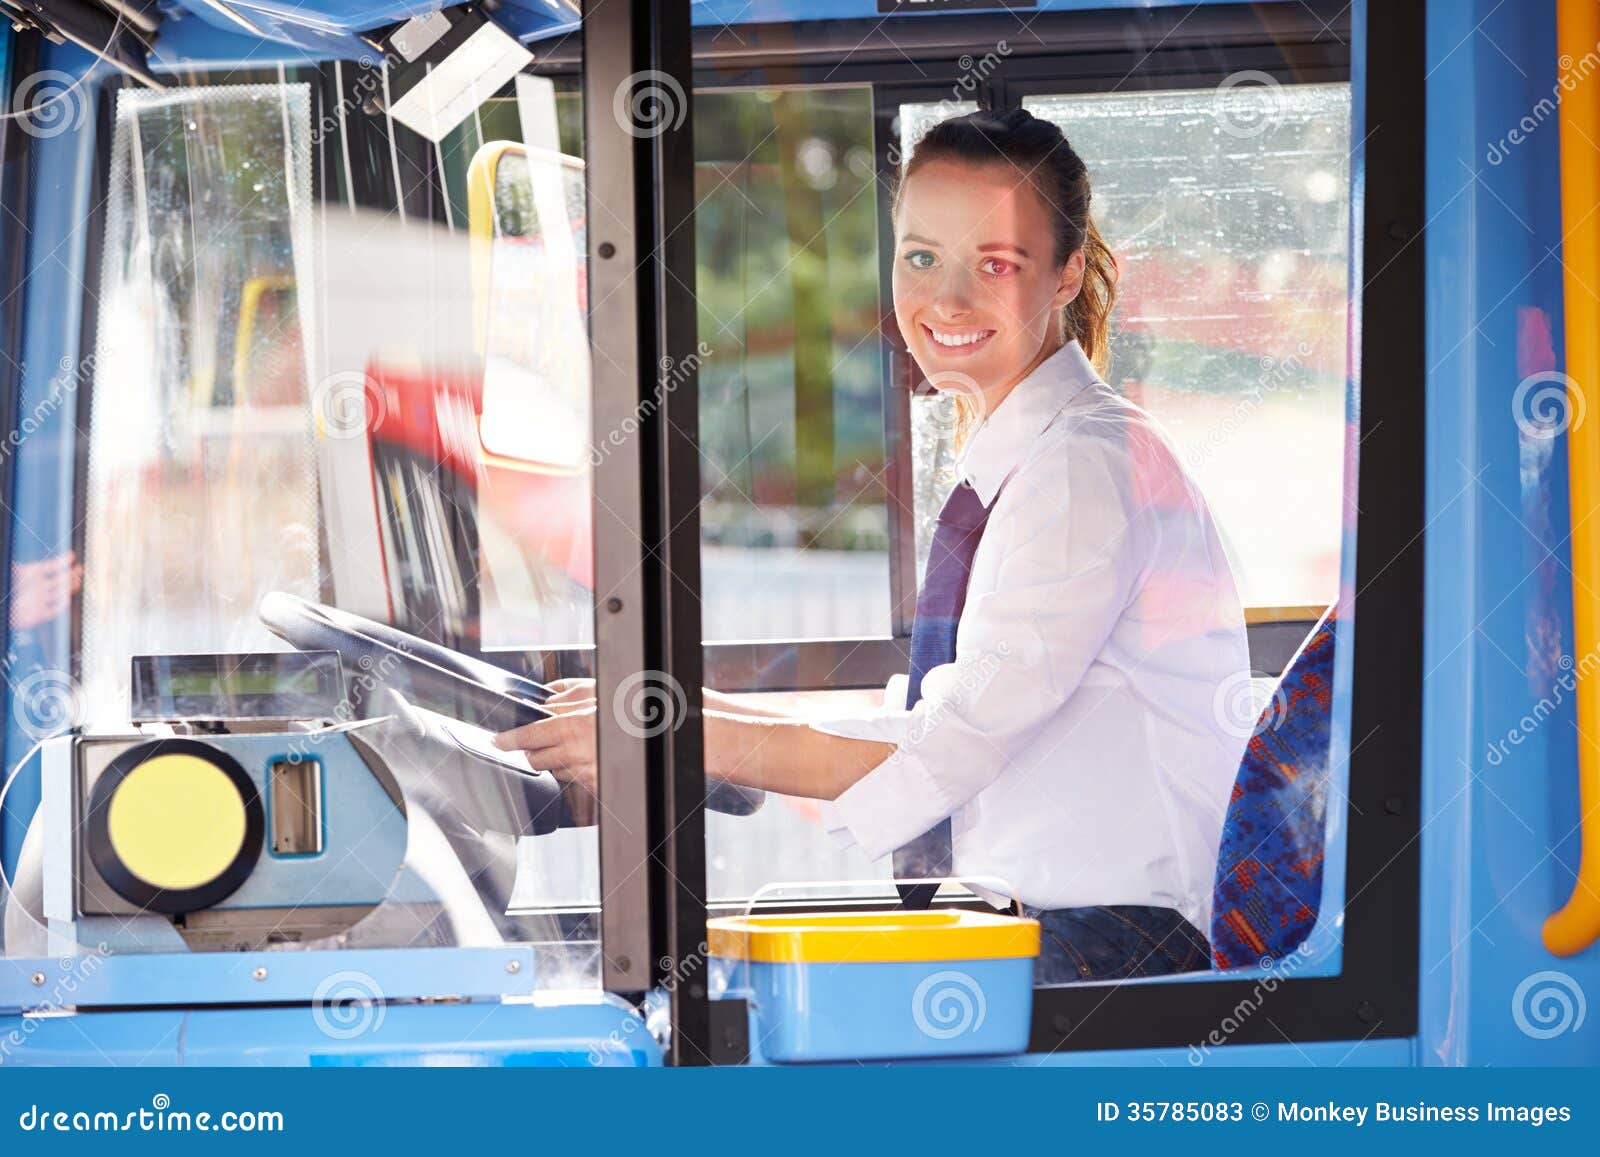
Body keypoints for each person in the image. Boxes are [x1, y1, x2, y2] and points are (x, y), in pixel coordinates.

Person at [495, 108, 1251, 984]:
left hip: (1115, 952)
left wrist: (668, 735)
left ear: (1066, 273)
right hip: (1034, 929)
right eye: (922, 257)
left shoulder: (1082, 472)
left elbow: (946, 743)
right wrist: (667, 713)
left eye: (995, 263)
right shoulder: (1026, 459)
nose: (947, 300)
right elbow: (931, 715)